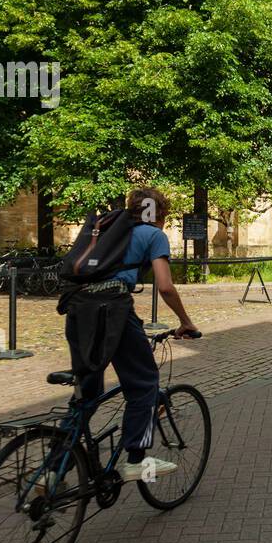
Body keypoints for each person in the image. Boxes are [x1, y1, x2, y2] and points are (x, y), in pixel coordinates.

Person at [65, 187, 199, 482]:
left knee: (87, 393)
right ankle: (136, 459)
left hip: (77, 309)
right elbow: (165, 286)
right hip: (113, 309)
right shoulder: (153, 235)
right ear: (160, 214)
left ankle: (52, 470)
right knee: (145, 383)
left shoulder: (107, 229)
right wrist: (185, 321)